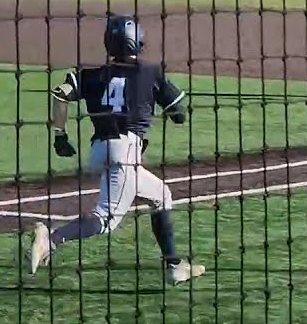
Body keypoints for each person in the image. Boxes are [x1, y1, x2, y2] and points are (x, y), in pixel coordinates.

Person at [28, 15, 205, 286]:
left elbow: (60, 94)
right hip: (124, 153)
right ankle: (51, 238)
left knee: (161, 195)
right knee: (106, 221)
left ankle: (174, 265)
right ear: (138, 42)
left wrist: (60, 136)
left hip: (101, 151)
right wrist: (166, 101)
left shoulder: (90, 75)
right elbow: (180, 115)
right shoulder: (151, 72)